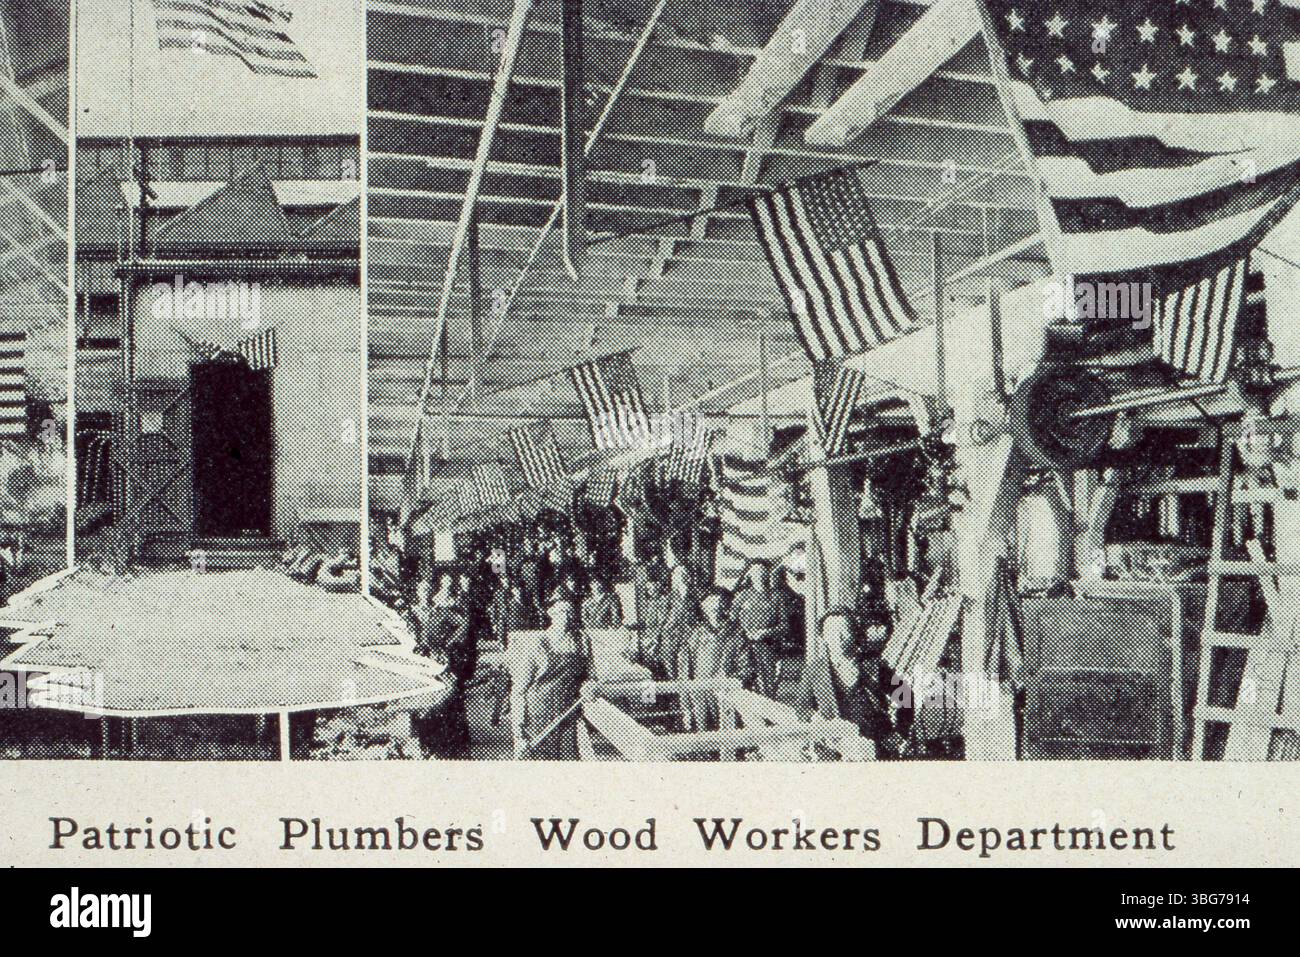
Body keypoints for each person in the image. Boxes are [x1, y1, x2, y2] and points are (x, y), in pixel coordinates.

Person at [510, 598, 591, 760]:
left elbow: (589, 677)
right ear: (551, 614)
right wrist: (518, 736)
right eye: (561, 612)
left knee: (568, 770)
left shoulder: (582, 641)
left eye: (570, 612)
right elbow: (519, 691)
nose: (566, 617)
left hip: (568, 716)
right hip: (538, 718)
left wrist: (589, 686)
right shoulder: (537, 644)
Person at [415, 574, 476, 759]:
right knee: (430, 697)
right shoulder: (419, 611)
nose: (425, 595)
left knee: (450, 696)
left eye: (427, 591)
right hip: (425, 660)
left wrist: (449, 645)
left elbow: (464, 627)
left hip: (444, 659)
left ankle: (454, 738)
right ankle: (431, 737)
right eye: (422, 591)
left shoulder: (444, 610)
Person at [679, 588, 744, 732]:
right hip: (700, 696)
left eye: (720, 602)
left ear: (727, 606)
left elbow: (747, 669)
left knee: (730, 742)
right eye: (711, 602)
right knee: (704, 741)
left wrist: (733, 681)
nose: (715, 607)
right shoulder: (693, 637)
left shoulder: (737, 634)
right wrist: (686, 708)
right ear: (703, 606)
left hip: (728, 696)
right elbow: (684, 675)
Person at [730, 561, 786, 697]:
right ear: (749, 576)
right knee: (744, 685)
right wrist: (743, 635)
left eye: (762, 573)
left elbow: (785, 627)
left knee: (767, 688)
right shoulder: (742, 596)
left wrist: (766, 633)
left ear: (767, 575)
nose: (759, 576)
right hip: (743, 648)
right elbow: (732, 622)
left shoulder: (777, 597)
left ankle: (768, 715)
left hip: (768, 648)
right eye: (755, 573)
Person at [659, 563, 699, 680]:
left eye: (687, 576)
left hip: (689, 638)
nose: (686, 579)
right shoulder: (667, 599)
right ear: (674, 579)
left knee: (689, 672)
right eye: (682, 576)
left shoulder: (694, 598)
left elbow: (698, 618)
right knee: (670, 673)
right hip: (671, 637)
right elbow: (662, 623)